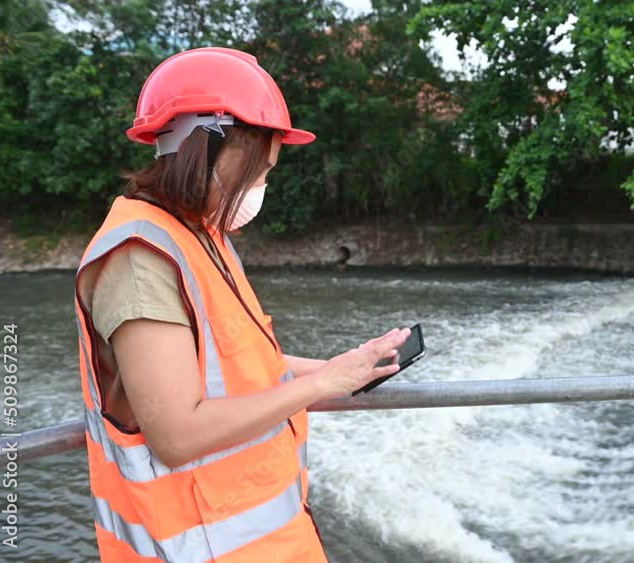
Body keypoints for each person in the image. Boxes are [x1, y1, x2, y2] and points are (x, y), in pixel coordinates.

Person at [73, 46, 410, 562]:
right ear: (201, 145)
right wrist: (320, 385)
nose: (261, 187)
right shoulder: (140, 258)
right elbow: (177, 435)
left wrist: (341, 367)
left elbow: (237, 362)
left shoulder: (201, 234)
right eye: (258, 170)